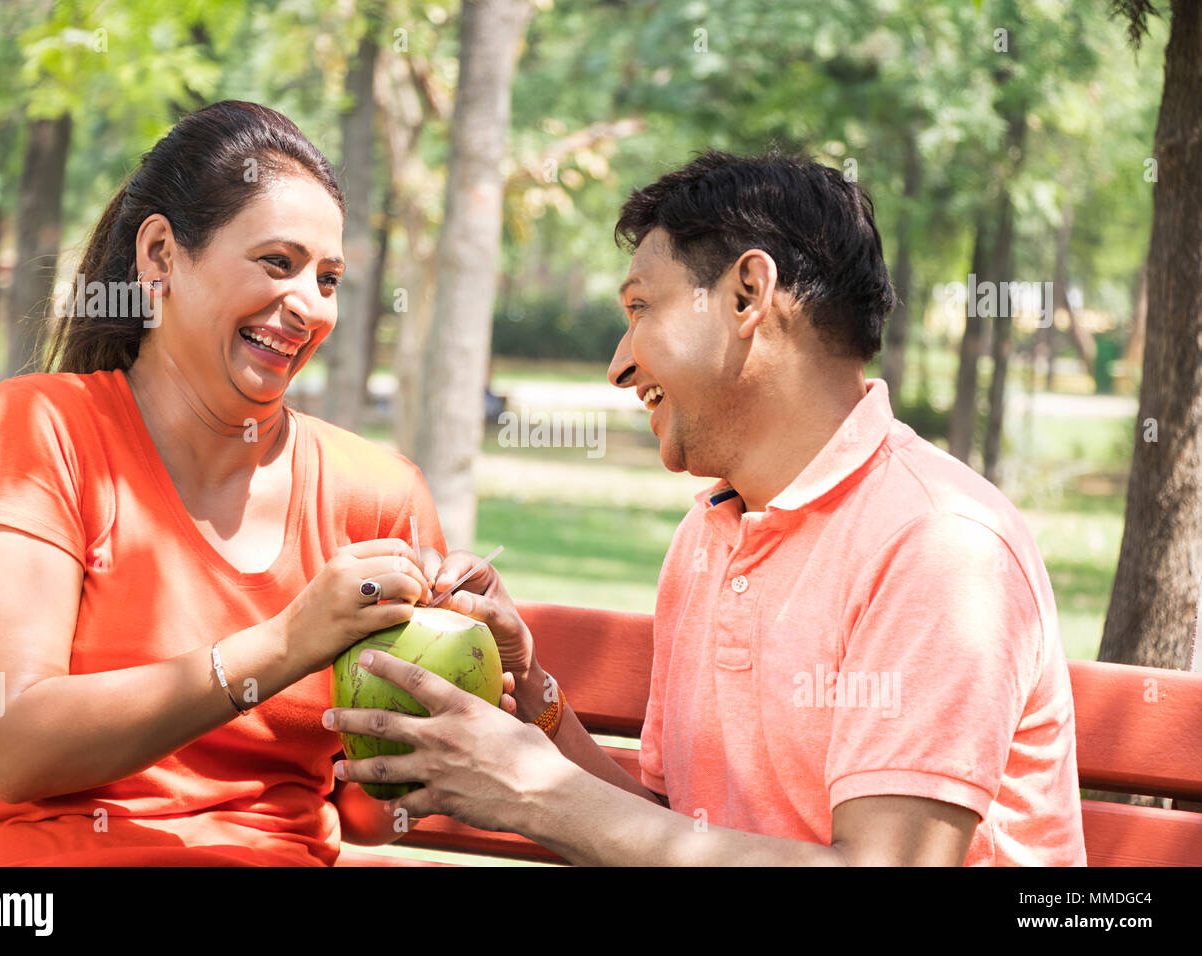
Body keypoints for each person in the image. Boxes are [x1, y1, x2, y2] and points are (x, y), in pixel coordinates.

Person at [326, 150, 1088, 866]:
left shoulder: (939, 547)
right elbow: (673, 834)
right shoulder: (711, 532)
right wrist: (535, 702)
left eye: (640, 308)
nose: (620, 365)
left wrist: (537, 794)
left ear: (747, 295)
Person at [0, 100, 497, 866]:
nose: (308, 307)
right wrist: (285, 644)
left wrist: (468, 712)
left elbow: (366, 811)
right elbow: (17, 746)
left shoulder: (377, 495)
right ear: (159, 255)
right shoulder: (46, 430)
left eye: (328, 278)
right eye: (276, 263)